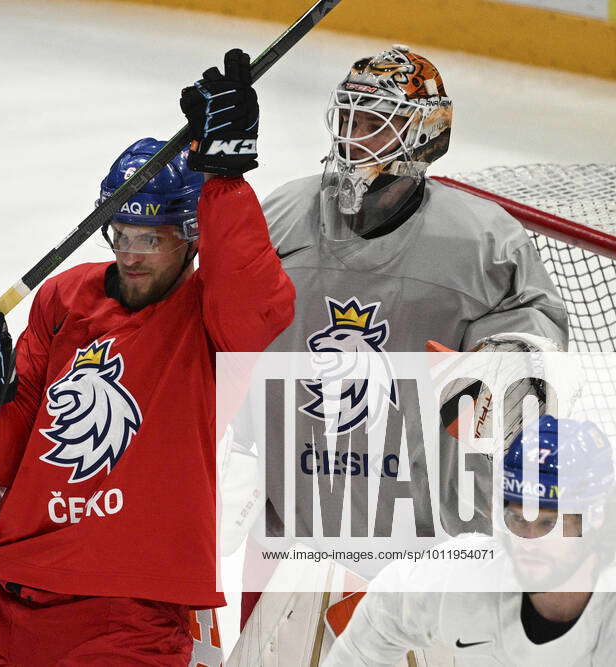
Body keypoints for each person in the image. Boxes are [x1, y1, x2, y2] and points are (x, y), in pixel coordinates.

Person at [0, 49, 295, 665]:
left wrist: (225, 177)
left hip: (127, 614)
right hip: (2, 596)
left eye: (149, 238)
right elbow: (3, 461)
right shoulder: (65, 296)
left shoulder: (211, 318)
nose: (129, 254)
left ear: (191, 238)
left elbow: (262, 302)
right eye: (119, 234)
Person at [232, 45, 569, 664]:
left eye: (375, 122)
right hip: (299, 532)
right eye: (347, 118)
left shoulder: (481, 242)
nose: (352, 138)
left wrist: (501, 375)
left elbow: (534, 354)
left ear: (424, 136)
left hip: (419, 554)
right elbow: (221, 321)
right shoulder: (283, 213)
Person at [324, 415, 616, 666]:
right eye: (516, 519)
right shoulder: (466, 574)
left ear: (595, 519)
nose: (527, 542)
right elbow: (385, 615)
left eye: (547, 524)